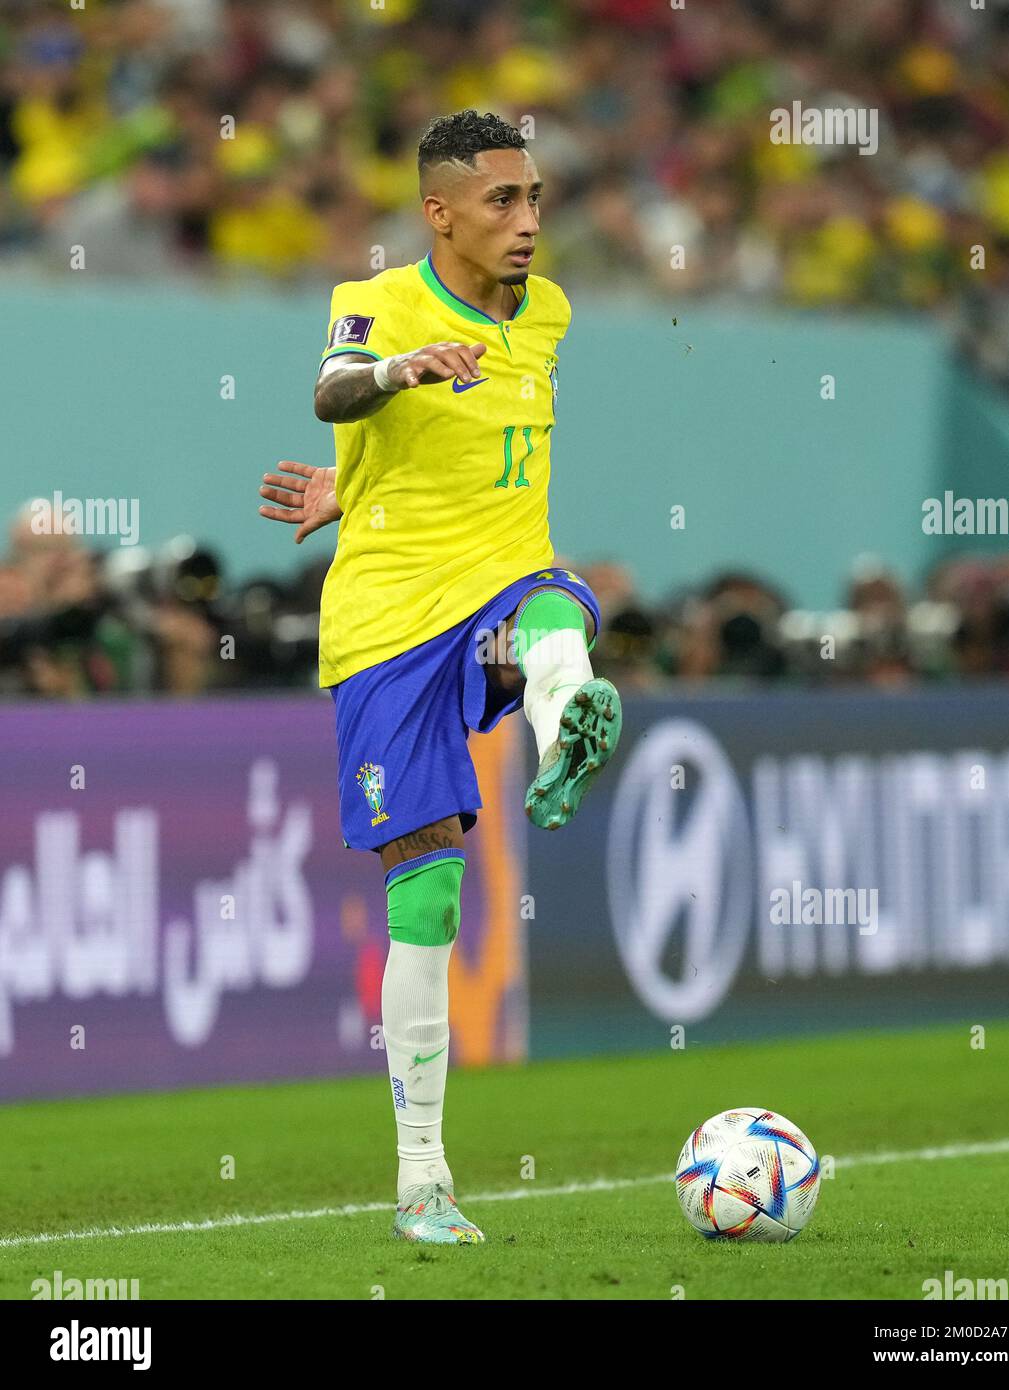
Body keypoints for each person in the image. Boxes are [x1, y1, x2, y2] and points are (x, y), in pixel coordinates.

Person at [258, 109, 622, 1244]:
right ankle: (422, 1177)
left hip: (498, 592)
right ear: (439, 212)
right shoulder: (375, 301)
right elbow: (333, 392)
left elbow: (485, 458)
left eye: (534, 199)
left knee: (555, 602)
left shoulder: (550, 313)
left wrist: (357, 481)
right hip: (383, 629)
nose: (525, 222)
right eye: (501, 202)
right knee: (427, 894)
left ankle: (562, 716)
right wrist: (388, 391)